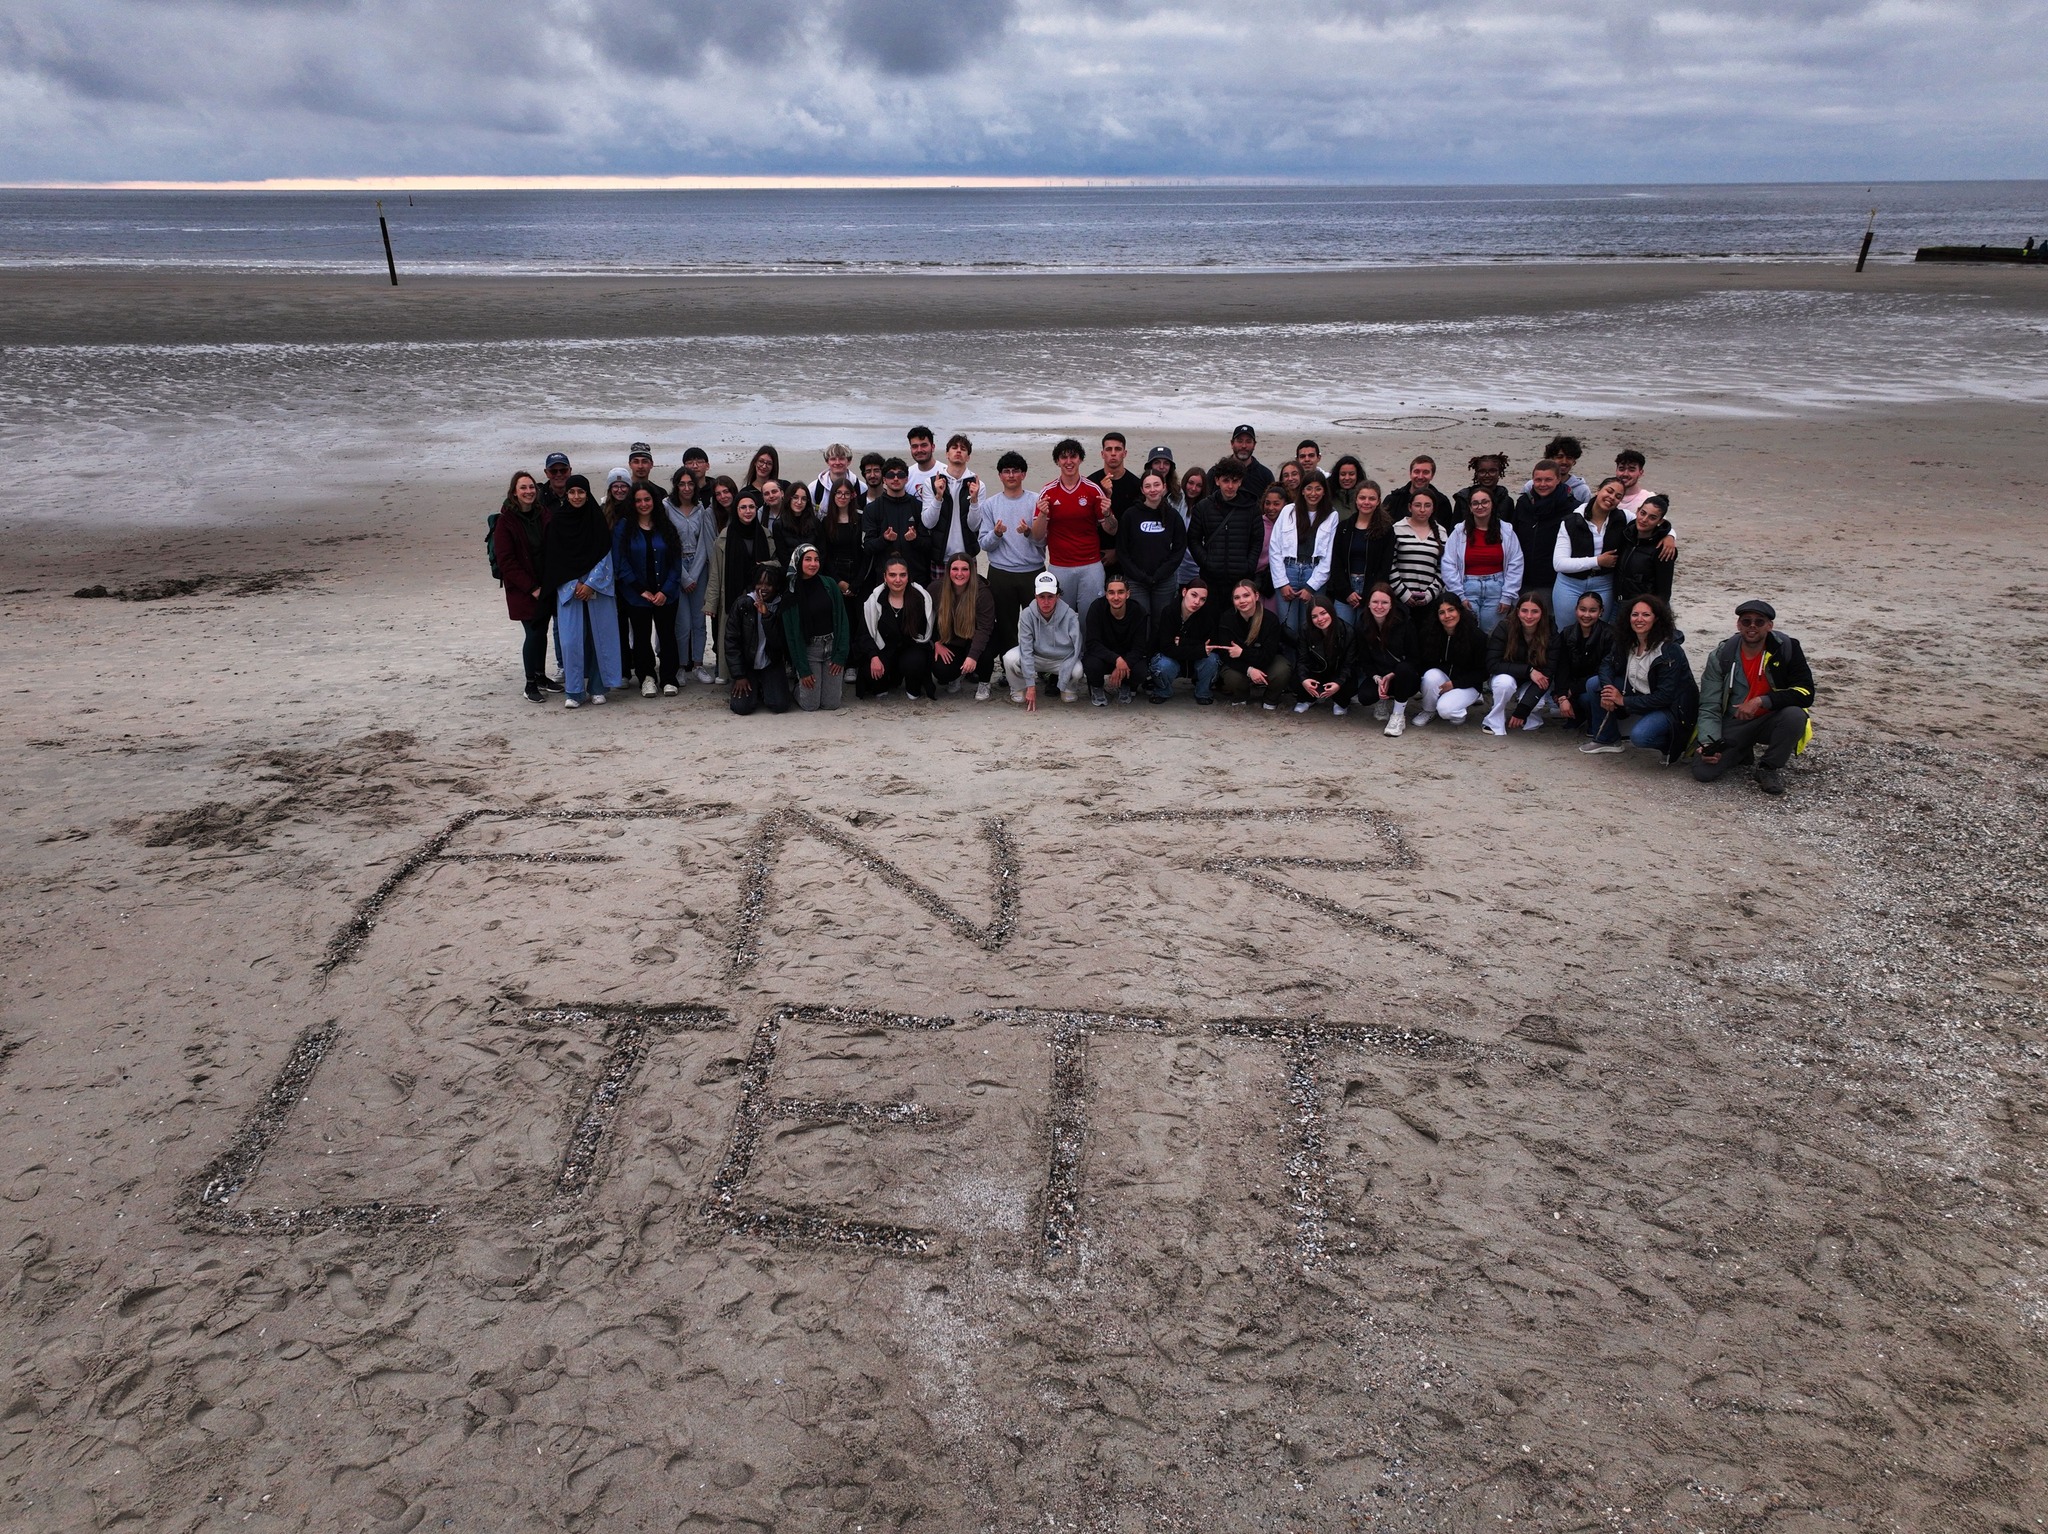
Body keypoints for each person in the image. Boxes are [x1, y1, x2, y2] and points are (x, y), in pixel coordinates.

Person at [1691, 600, 1815, 796]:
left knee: (1795, 715)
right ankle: (1742, 750)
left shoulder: (1787, 649)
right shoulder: (1721, 655)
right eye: (1746, 621)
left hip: (1771, 719)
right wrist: (1708, 743)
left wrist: (1761, 701)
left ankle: (1768, 767)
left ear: (1770, 626)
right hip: (1735, 721)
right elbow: (1709, 705)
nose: (1752, 626)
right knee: (1703, 772)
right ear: (1738, 625)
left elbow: (1806, 693)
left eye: (1759, 622)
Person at [1582, 594, 1698, 762]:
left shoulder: (1669, 650)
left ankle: (1676, 744)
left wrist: (1623, 701)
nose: (1639, 619)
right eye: (1635, 614)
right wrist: (1608, 692)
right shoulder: (1628, 640)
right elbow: (1606, 665)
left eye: (1646, 615)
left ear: (1657, 619)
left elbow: (1665, 696)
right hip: (1640, 692)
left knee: (1641, 736)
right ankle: (1607, 738)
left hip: (1670, 707)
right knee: (1595, 684)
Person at [542, 472, 622, 709]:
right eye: (572, 492)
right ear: (566, 495)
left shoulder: (596, 520)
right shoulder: (557, 522)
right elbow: (554, 559)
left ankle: (598, 687)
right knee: (571, 640)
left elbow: (605, 553)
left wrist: (591, 584)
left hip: (595, 588)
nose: (577, 496)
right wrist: (573, 585)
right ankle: (574, 690)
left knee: (600, 638)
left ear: (587, 495)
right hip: (570, 589)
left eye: (581, 492)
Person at [973, 450, 1045, 662]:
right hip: (1001, 573)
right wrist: (996, 534)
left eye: (1016, 471)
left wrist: (1029, 532)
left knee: (1039, 622)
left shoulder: (1036, 501)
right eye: (1006, 471)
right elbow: (983, 544)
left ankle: (1041, 666)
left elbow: (1044, 540)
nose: (1011, 475)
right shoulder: (990, 505)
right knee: (1006, 624)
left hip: (1033, 571)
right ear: (1000, 476)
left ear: (1023, 474)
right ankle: (1009, 667)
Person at [492, 470, 556, 702]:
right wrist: (532, 588)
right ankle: (530, 683)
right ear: (514, 493)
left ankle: (540, 675)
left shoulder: (543, 514)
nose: (528, 492)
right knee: (533, 632)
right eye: (523, 488)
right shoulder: (506, 521)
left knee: (542, 631)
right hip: (522, 589)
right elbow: (506, 561)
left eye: (531, 487)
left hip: (545, 584)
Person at [614, 484, 682, 696]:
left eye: (647, 500)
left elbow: (676, 563)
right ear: (632, 503)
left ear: (654, 501)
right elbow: (620, 562)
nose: (643, 504)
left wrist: (666, 591)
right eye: (638, 500)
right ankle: (647, 677)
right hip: (636, 595)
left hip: (666, 594)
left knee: (668, 635)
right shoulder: (623, 528)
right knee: (641, 638)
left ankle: (669, 678)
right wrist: (640, 589)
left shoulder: (666, 526)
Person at [1035, 437, 1115, 618]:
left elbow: (1112, 529)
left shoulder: (1093, 490)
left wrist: (1108, 512)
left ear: (1080, 459)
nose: (1069, 462)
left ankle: (1088, 648)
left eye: (1073, 457)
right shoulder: (1047, 492)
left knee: (1091, 617)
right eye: (1064, 458)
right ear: (1057, 461)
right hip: (1059, 566)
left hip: (1091, 566)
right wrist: (1043, 514)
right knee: (1062, 618)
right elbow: (1038, 536)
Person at [1439, 485, 1523, 636]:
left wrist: (1508, 595)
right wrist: (1459, 594)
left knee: (1492, 634)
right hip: (1466, 588)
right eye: (1475, 503)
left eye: (1485, 502)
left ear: (1492, 504)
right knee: (1467, 632)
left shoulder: (1506, 531)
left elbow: (1515, 563)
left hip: (1497, 589)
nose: (1480, 506)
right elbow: (1448, 563)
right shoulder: (1459, 532)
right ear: (1470, 507)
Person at [708, 487, 771, 683]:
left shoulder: (766, 535)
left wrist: (766, 565)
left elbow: (776, 564)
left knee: (758, 634)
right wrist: (711, 603)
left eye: (752, 506)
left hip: (760, 593)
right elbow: (716, 572)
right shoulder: (725, 537)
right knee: (735, 634)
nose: (748, 511)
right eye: (743, 507)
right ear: (736, 510)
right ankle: (735, 674)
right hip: (733, 593)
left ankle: (760, 672)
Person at [1115, 469, 1189, 639]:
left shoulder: (1172, 516)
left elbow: (1179, 549)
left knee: (1162, 621)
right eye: (1148, 486)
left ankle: (1160, 657)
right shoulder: (1130, 515)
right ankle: (1142, 656)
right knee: (1141, 620)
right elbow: (1122, 551)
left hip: (1164, 581)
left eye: (1157, 485)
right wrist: (1139, 575)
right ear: (1142, 490)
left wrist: (1160, 574)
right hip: (1137, 581)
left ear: (1164, 487)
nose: (1153, 489)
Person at [857, 554, 937, 701]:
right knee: (870, 672)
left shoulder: (920, 598)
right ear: (885, 577)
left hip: (911, 647)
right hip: (883, 649)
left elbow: (928, 630)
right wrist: (873, 657)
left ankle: (913, 687)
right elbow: (864, 634)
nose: (898, 580)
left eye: (902, 575)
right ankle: (882, 685)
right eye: (892, 575)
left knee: (915, 662)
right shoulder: (874, 601)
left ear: (908, 576)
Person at [782, 544, 849, 713]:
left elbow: (843, 620)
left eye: (816, 560)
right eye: (808, 559)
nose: (813, 564)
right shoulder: (790, 593)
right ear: (797, 562)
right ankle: (798, 685)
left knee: (831, 704)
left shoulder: (830, 584)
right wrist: (803, 669)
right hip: (809, 650)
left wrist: (840, 655)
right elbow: (791, 636)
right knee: (810, 705)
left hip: (831, 646)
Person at [1205, 579, 1292, 708]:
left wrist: (1242, 652)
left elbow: (1268, 655)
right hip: (1239, 666)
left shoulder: (1270, 619)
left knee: (1283, 669)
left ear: (1256, 596)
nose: (1242, 601)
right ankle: (1240, 696)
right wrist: (1249, 670)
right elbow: (1225, 654)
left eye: (1246, 595)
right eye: (1237, 597)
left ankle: (1270, 699)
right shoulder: (1227, 618)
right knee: (1231, 677)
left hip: (1265, 662)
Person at [1268, 475, 1337, 638]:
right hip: (1288, 571)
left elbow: (1328, 556)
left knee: (1311, 625)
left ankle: (1309, 662)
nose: (1313, 493)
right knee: (1288, 626)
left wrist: (1311, 587)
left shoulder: (1331, 515)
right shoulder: (1288, 511)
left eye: (1318, 489)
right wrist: (1282, 583)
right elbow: (1275, 547)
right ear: (1303, 491)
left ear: (1324, 492)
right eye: (1309, 488)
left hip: (1314, 573)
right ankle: (1291, 662)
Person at [1003, 571, 1084, 709]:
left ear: (1057, 596)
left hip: (1062, 660)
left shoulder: (1070, 616)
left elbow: (1077, 649)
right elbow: (1026, 649)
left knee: (1078, 670)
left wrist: (1064, 679)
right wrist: (1030, 685)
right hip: (1036, 657)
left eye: (1050, 597)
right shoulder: (1027, 614)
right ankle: (1018, 688)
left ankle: (1068, 688)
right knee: (1009, 658)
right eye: (1041, 596)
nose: (1046, 602)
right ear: (1035, 595)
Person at [1412, 594, 1492, 728]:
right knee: (1430, 676)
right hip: (1443, 679)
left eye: (1451, 610)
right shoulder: (1430, 633)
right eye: (1442, 612)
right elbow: (1423, 663)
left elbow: (1483, 672)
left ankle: (1458, 710)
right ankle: (1428, 710)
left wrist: (1455, 684)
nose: (1447, 616)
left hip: (1468, 684)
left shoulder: (1476, 636)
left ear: (1459, 610)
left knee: (1446, 710)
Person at [665, 467, 715, 685]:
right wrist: (684, 577)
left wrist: (694, 574)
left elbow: (705, 542)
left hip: (698, 566)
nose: (686, 488)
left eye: (690, 484)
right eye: (682, 484)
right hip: (676, 568)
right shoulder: (666, 507)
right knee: (682, 623)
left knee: (699, 621)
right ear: (676, 485)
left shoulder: (700, 508)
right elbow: (667, 543)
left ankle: (698, 665)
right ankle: (681, 666)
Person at [1552, 475, 1623, 624]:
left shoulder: (1624, 518)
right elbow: (1559, 563)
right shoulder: (1571, 521)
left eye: (1618, 496)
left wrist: (1670, 535)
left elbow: (1647, 522)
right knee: (1565, 631)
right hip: (1569, 584)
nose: (1612, 497)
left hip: (1604, 584)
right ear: (1598, 490)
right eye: (1609, 491)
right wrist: (1598, 561)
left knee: (1600, 633)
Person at [1511, 459, 1578, 616]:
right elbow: (1513, 536)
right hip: (1523, 576)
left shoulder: (1572, 507)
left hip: (1552, 580)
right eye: (1538, 480)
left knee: (1547, 623)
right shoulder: (1523, 503)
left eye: (1548, 479)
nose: (1542, 484)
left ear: (1558, 479)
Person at [1354, 583, 1422, 736]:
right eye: (1375, 602)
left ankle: (1398, 715)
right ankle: (1381, 700)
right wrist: (1377, 678)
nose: (1379, 606)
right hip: (1379, 674)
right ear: (1368, 604)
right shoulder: (1363, 624)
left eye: (1384, 602)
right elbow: (1364, 659)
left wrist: (1392, 675)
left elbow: (1414, 658)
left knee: (1404, 669)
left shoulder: (1405, 622)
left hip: (1402, 675)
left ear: (1391, 604)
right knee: (1365, 696)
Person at [1189, 462, 1262, 601]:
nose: (1230, 486)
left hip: (1241, 578)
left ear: (1240, 482)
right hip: (1211, 578)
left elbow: (1257, 540)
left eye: (1235, 481)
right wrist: (1206, 562)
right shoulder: (1203, 507)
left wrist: (1248, 566)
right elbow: (1193, 539)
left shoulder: (1252, 508)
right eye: (1226, 480)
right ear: (1217, 481)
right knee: (1211, 620)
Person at [1485, 594, 1556, 734]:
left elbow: (1548, 672)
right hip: (1507, 674)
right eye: (1524, 611)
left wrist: (1522, 710)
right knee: (1504, 684)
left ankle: (1531, 715)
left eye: (1535, 611)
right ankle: (1493, 719)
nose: (1529, 616)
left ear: (1542, 613)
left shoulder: (1551, 632)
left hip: (1534, 680)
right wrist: (1528, 670)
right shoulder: (1504, 627)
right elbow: (1492, 664)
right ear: (1517, 611)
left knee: (1537, 702)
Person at [727, 564, 791, 716]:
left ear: (775, 586)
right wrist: (739, 675)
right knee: (741, 708)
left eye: (769, 584)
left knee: (780, 705)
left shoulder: (781, 605)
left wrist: (767, 616)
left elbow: (779, 642)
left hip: (771, 662)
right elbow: (731, 642)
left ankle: (765, 688)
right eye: (760, 583)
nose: (763, 588)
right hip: (747, 664)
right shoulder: (742, 604)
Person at [931, 553, 997, 698]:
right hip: (952, 638)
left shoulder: (982, 592)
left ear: (971, 571)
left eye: (965, 569)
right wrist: (936, 641)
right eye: (955, 569)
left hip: (977, 636)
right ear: (948, 571)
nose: (959, 574)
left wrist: (973, 656)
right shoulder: (937, 588)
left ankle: (984, 682)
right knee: (941, 669)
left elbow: (985, 628)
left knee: (983, 656)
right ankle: (956, 676)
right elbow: (927, 619)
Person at [1328, 479, 1393, 627]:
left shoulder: (1386, 530)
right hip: (1345, 589)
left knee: (1366, 633)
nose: (1366, 502)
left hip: (1372, 591)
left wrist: (1370, 593)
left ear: (1378, 502)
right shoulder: (1344, 527)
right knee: (1343, 634)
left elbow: (1385, 565)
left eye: (1372, 498)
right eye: (1362, 498)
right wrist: (1346, 591)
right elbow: (1336, 561)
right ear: (1356, 500)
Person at [1551, 591, 1614, 737]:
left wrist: (1573, 689)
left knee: (1587, 695)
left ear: (1601, 612)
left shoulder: (1610, 635)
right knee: (1558, 693)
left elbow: (1604, 670)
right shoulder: (1567, 633)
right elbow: (1562, 667)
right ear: (1576, 610)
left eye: (1593, 610)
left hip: (1595, 686)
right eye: (1582, 609)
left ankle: (1594, 724)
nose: (1586, 615)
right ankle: (1576, 717)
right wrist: (1562, 695)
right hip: (1573, 684)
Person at [1082, 573, 1150, 705]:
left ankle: (1126, 685)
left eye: (1121, 592)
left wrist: (1124, 662)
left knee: (1141, 670)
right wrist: (1116, 659)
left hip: (1127, 657)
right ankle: (1096, 687)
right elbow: (1092, 643)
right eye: (1111, 593)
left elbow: (1139, 648)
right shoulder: (1096, 608)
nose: (1116, 597)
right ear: (1106, 594)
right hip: (1104, 656)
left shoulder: (1138, 611)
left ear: (1128, 594)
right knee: (1091, 664)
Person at [862, 458, 930, 586]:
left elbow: (928, 544)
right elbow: (867, 546)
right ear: (884, 480)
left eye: (900, 475)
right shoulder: (873, 509)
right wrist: (884, 539)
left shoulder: (918, 507)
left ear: (906, 479)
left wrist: (915, 539)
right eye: (890, 475)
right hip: (885, 577)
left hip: (915, 576)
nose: (895, 478)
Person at [921, 433, 981, 571]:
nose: (958, 451)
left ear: (968, 457)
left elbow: (974, 526)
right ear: (947, 454)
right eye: (954, 448)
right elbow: (928, 522)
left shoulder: (977, 485)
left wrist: (974, 500)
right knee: (938, 592)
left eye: (963, 449)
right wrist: (938, 497)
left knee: (970, 593)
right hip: (940, 555)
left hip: (967, 556)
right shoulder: (931, 482)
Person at [1147, 579, 1214, 703]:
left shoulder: (1207, 614)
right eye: (1193, 595)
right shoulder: (1169, 611)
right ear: (1184, 592)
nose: (1197, 602)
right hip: (1172, 659)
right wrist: (1199, 648)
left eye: (1202, 599)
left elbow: (1209, 645)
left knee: (1212, 659)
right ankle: (1163, 691)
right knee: (1163, 664)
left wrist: (1183, 642)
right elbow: (1166, 647)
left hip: (1195, 660)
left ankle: (1203, 693)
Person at [1390, 486, 1447, 628]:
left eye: (1427, 505)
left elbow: (1444, 568)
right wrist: (1404, 594)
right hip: (1400, 600)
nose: (1422, 510)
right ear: (1410, 507)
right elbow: (1390, 564)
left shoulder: (1441, 532)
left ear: (1433, 508)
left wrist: (1429, 594)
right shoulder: (1397, 529)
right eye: (1418, 505)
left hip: (1429, 601)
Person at [1088, 432, 1143, 577]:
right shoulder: (1091, 484)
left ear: (1124, 453)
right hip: (1094, 556)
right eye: (1109, 449)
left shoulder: (1136, 485)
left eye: (1117, 449)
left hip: (1128, 557)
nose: (1113, 454)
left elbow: (1137, 525)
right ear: (1102, 454)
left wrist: (1118, 552)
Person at [1613, 493, 1678, 611]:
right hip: (1618, 604)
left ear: (1660, 521)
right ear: (1637, 511)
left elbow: (1664, 590)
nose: (1644, 520)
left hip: (1645, 609)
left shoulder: (1663, 549)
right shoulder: (1625, 535)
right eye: (1643, 513)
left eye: (1652, 517)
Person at [1292, 596, 1352, 715]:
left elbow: (1349, 663)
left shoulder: (1347, 631)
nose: (1320, 619)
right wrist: (1304, 679)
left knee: (1350, 678)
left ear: (1331, 611)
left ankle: (1340, 701)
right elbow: (1302, 659)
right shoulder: (1305, 630)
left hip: (1336, 673)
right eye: (1314, 616)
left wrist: (1338, 683)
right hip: (1316, 672)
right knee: (1295, 677)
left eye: (1323, 613)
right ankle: (1308, 698)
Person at [820, 479, 871, 603]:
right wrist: (838, 582)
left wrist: (857, 583)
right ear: (833, 495)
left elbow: (866, 553)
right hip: (835, 578)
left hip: (859, 578)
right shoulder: (826, 522)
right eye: (839, 493)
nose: (842, 497)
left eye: (846, 493)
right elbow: (825, 554)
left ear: (852, 496)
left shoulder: (861, 518)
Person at [1382, 455, 1455, 530]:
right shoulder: (1393, 500)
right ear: (1410, 473)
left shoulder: (1442, 503)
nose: (1420, 477)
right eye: (1416, 472)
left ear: (1432, 476)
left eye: (1425, 472)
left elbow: (1447, 534)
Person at [1522, 435, 1590, 503]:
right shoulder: (1530, 486)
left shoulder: (1582, 490)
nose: (1564, 462)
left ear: (1574, 462)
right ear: (1550, 458)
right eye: (1559, 457)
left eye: (1569, 458)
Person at [771, 481, 822, 569]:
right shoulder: (778, 525)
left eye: (804, 499)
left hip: (814, 570)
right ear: (789, 499)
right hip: (790, 573)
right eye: (795, 497)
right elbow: (782, 555)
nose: (799, 502)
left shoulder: (816, 523)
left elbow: (822, 552)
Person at [1172, 465, 1208, 588]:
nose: (1193, 488)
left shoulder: (1206, 508)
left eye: (1199, 485)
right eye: (1190, 483)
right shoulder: (1175, 503)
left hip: (1197, 567)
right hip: (1178, 566)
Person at [1453, 453, 1511, 522]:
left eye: (1492, 471)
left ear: (1499, 472)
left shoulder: (1507, 501)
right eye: (1482, 472)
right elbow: (1454, 527)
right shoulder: (1464, 498)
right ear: (1476, 474)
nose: (1487, 475)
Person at [1225, 425, 1274, 500]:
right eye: (1240, 441)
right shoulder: (1217, 472)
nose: (1244, 446)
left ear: (1254, 445)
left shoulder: (1265, 475)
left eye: (1248, 441)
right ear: (1232, 444)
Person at [810, 443, 860, 516]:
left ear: (849, 461)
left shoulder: (860, 487)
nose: (837, 463)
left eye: (841, 459)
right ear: (827, 462)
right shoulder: (814, 488)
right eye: (833, 459)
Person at [1613, 448, 1652, 514]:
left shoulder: (1649, 500)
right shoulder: (1606, 496)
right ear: (1616, 470)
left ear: (1641, 473)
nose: (1625, 474)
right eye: (1621, 469)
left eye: (1631, 470)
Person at [537, 452, 573, 517]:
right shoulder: (537, 498)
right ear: (546, 472)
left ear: (570, 471)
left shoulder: (580, 494)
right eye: (553, 471)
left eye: (563, 470)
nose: (559, 474)